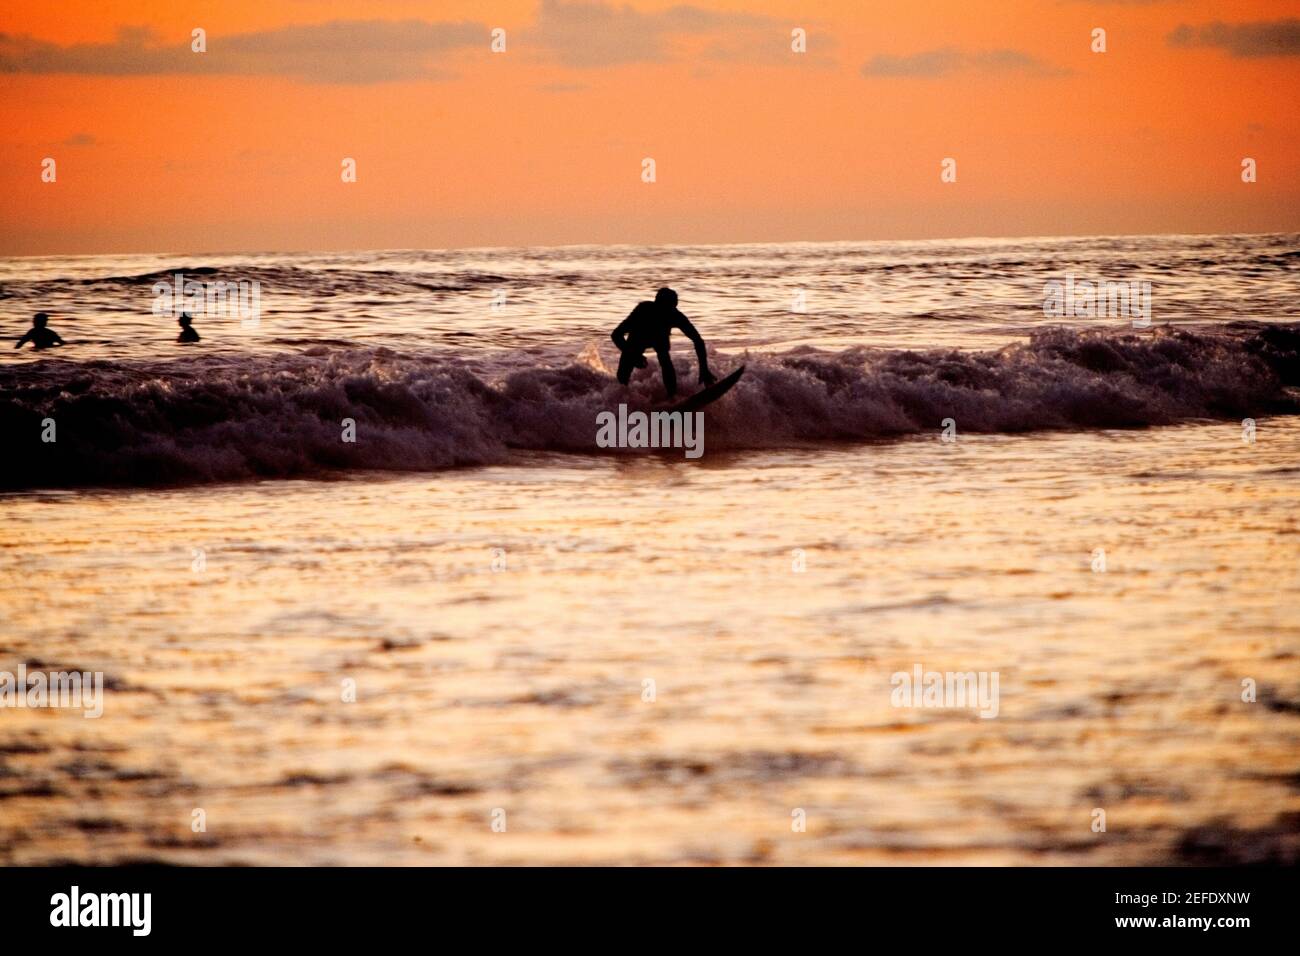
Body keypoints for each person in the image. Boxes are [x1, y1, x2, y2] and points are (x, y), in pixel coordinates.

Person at [610, 288, 715, 398]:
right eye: (665, 309)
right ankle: (620, 402)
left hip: (660, 339)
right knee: (623, 374)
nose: (668, 313)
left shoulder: (675, 315)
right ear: (657, 304)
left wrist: (704, 369)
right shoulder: (643, 310)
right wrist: (634, 355)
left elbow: (698, 341)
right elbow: (616, 334)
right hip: (638, 339)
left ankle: (672, 397)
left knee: (665, 360)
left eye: (672, 308)